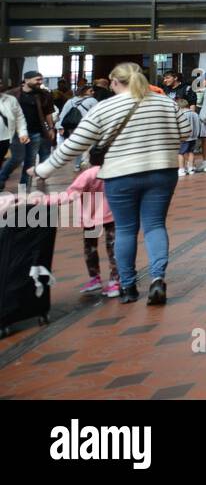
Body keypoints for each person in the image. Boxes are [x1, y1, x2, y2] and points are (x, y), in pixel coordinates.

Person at [34, 62, 188, 305]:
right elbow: (185, 131)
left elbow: (75, 144)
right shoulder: (165, 102)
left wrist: (44, 169)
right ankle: (158, 279)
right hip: (162, 172)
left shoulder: (105, 107)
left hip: (120, 175)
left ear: (115, 82)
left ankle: (127, 286)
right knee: (155, 226)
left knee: (126, 230)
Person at [62, 164, 119, 298]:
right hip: (112, 213)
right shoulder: (113, 168)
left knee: (90, 247)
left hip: (91, 217)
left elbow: (70, 194)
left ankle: (95, 278)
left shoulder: (88, 174)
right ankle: (114, 280)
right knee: (113, 246)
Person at [0, 71, 56, 192]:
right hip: (16, 133)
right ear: (26, 80)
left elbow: (48, 112)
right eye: (37, 80)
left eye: (41, 80)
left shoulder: (43, 94)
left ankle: (23, 190)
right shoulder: (13, 94)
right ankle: (2, 178)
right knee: (17, 158)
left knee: (29, 162)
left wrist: (51, 128)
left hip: (35, 132)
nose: (40, 82)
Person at [59, 84, 99, 171]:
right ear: (84, 92)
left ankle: (77, 165)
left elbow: (63, 114)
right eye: (91, 91)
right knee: (91, 144)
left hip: (73, 126)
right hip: (88, 126)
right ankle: (86, 161)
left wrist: (59, 127)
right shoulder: (92, 100)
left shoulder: (70, 101)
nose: (93, 92)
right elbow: (98, 114)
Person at [0, 85, 30, 191]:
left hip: (7, 137)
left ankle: (1, 178)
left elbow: (19, 117)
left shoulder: (10, 99)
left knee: (18, 157)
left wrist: (23, 133)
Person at [177, 100, 202, 175]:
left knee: (180, 153)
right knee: (191, 152)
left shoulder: (181, 114)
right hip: (194, 136)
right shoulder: (195, 114)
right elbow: (199, 124)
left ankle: (181, 169)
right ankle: (191, 168)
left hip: (184, 137)